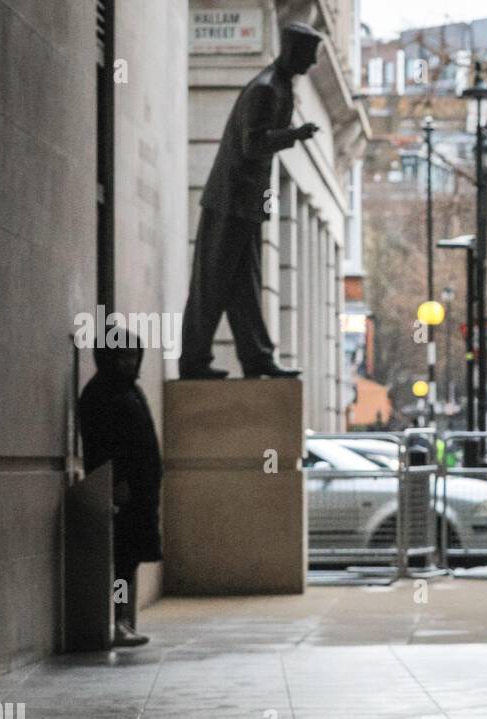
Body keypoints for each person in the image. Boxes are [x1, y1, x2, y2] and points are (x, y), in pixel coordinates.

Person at [178, 21, 324, 380]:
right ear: (293, 52)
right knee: (211, 282)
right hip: (229, 201)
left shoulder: (279, 87)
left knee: (244, 286)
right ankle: (194, 361)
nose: (312, 64)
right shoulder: (265, 90)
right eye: (309, 56)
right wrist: (296, 135)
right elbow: (252, 144)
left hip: (244, 203)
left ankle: (257, 358)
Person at [78, 338, 164, 648]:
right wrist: (115, 483)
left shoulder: (128, 390)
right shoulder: (101, 394)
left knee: (128, 561)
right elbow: (101, 445)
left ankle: (122, 619)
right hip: (121, 492)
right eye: (122, 356)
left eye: (132, 356)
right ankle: (115, 619)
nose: (129, 362)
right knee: (121, 560)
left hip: (138, 491)